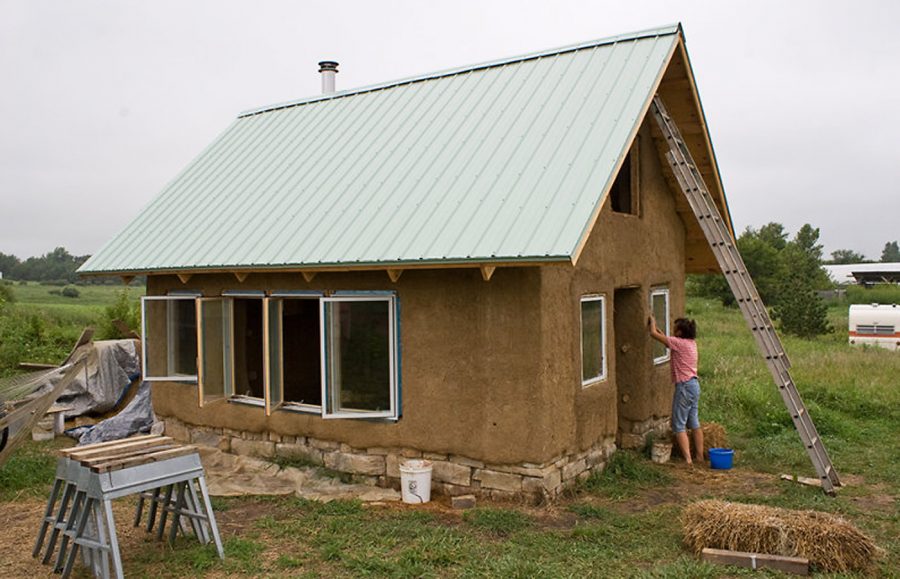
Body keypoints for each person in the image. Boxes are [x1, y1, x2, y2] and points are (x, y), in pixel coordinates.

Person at [648, 315, 704, 466]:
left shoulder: (678, 343)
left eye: (675, 328)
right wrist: (659, 330)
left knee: (678, 425)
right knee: (694, 422)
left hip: (684, 387)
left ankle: (688, 461)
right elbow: (664, 339)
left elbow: (653, 334)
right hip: (694, 386)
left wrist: (652, 321)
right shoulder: (691, 343)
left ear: (679, 332)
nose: (672, 330)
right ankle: (699, 457)